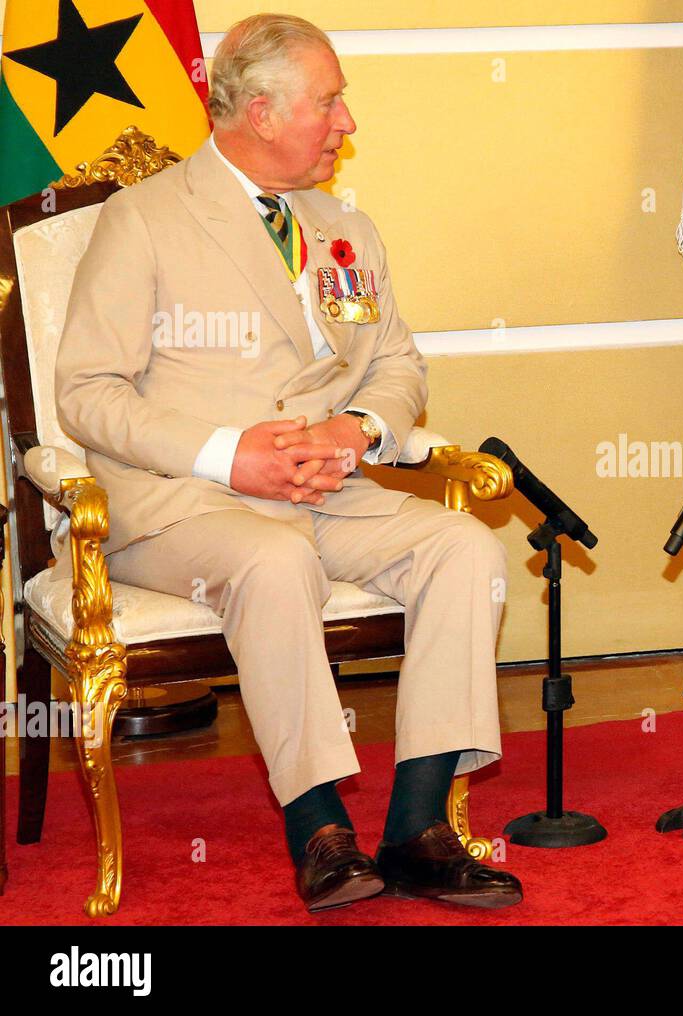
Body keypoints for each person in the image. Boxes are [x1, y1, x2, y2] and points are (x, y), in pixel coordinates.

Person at [55, 14, 521, 912]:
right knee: (274, 561)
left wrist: (357, 431)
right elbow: (87, 392)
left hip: (328, 488)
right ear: (261, 112)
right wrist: (233, 457)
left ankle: (419, 829)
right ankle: (320, 831)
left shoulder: (343, 224)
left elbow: (398, 366)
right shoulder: (144, 219)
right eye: (331, 102)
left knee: (465, 549)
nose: (346, 123)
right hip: (183, 506)